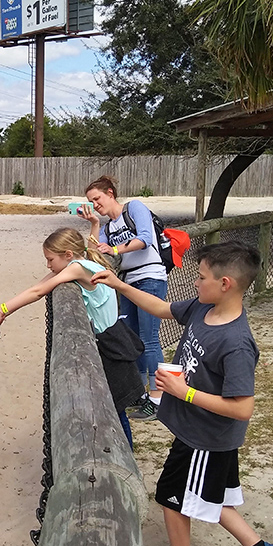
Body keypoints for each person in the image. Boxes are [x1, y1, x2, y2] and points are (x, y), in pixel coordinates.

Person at [92, 240, 273, 546]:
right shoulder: (203, 307)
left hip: (207, 437)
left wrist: (183, 392)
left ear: (226, 283)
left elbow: (242, 407)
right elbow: (164, 308)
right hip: (196, 432)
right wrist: (119, 286)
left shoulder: (236, 342)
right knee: (207, 500)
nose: (194, 283)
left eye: (200, 277)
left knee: (172, 495)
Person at [0, 228, 141, 448]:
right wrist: (3, 309)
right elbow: (38, 287)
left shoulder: (77, 268)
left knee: (115, 409)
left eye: (50, 259)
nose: (48, 265)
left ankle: (127, 456)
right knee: (113, 408)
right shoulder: (83, 263)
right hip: (114, 339)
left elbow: (39, 292)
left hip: (110, 347)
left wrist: (2, 310)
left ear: (68, 254)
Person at [77, 175, 167, 421]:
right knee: (131, 338)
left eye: (97, 198)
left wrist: (116, 249)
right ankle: (137, 394)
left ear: (110, 193)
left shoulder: (135, 207)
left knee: (149, 339)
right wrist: (94, 224)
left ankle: (158, 399)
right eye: (91, 201)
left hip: (150, 278)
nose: (95, 204)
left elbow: (145, 239)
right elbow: (94, 254)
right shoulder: (107, 227)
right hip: (127, 282)